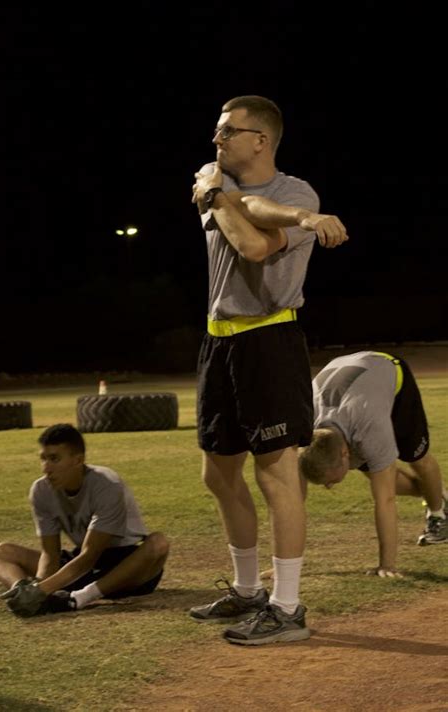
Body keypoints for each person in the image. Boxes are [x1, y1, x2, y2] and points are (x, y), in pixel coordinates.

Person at [189, 95, 349, 645]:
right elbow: (245, 217)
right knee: (218, 473)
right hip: (218, 342)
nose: (218, 141)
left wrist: (296, 213)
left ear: (262, 139)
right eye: (217, 131)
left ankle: (286, 606)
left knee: (276, 474)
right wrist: (219, 194)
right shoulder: (213, 182)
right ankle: (247, 589)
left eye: (229, 132)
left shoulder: (296, 193)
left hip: (269, 337)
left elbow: (253, 242)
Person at [0, 423, 169, 617]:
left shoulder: (107, 484)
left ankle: (79, 598)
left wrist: (43, 589)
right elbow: (50, 554)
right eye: (43, 458)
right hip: (78, 567)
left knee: (158, 543)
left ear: (78, 460)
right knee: (1, 552)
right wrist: (38, 586)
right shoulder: (41, 490)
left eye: (54, 459)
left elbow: (90, 555)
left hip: (125, 568)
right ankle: (21, 593)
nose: (46, 468)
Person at [298, 350, 448, 577]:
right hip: (350, 383)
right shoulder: (303, 428)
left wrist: (387, 565)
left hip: (388, 373)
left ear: (345, 452)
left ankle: (439, 514)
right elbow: (292, 502)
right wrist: (285, 563)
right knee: (380, 473)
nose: (329, 487)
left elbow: (385, 500)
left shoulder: (368, 428)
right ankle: (441, 493)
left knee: (415, 458)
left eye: (328, 480)